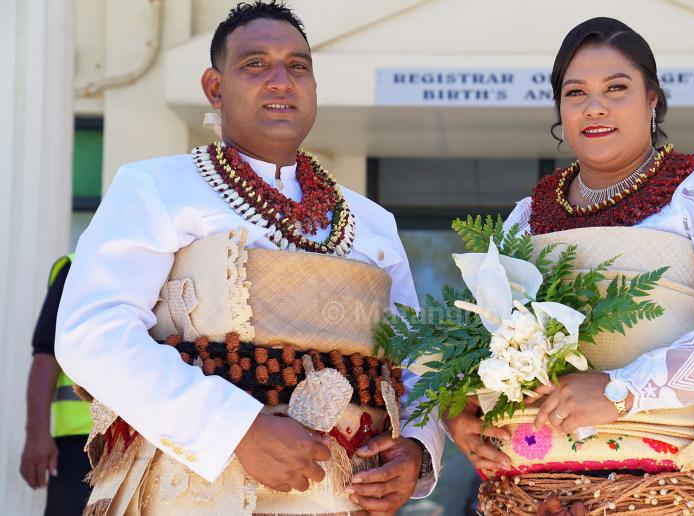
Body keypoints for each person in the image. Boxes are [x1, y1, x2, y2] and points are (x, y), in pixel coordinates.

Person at [444, 17, 694, 515]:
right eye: (575, 93)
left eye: (616, 88)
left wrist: (624, 390)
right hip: (546, 493)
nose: (594, 106)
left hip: (685, 487)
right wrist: (458, 407)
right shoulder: (529, 214)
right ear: (560, 108)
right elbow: (480, 332)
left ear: (652, 100)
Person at [56, 2, 442, 514]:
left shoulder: (372, 221)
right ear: (215, 88)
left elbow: (415, 359)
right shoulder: (157, 187)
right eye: (255, 64)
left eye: (298, 66)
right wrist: (235, 429)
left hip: (345, 497)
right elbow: (92, 332)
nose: (282, 81)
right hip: (194, 490)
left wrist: (416, 450)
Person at [20, 255, 92, 515]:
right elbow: (45, 355)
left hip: (146, 437)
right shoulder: (76, 266)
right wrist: (36, 435)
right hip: (78, 446)